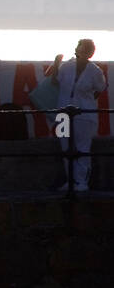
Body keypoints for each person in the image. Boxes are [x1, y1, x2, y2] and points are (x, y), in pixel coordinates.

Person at [44, 40, 108, 191]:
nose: (85, 52)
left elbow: (101, 88)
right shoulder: (66, 66)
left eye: (88, 50)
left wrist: (87, 101)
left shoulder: (95, 71)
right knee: (65, 146)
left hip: (85, 115)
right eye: (83, 48)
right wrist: (56, 62)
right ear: (76, 49)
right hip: (63, 113)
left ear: (91, 53)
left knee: (82, 147)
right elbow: (55, 81)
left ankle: (81, 182)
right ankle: (70, 181)